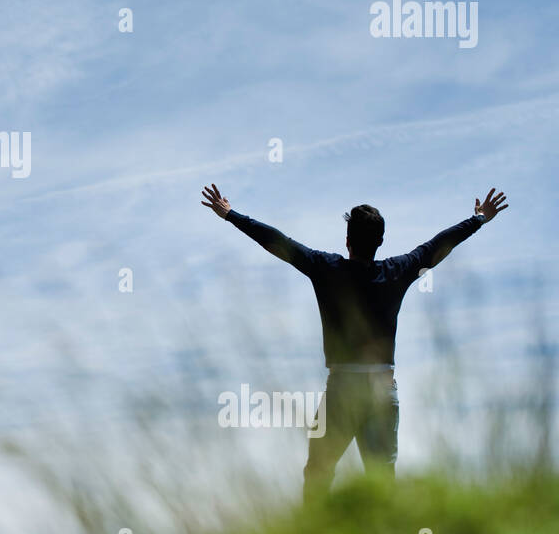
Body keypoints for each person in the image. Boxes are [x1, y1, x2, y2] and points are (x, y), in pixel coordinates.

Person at [199, 184, 509, 502]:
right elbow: (437, 247)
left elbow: (277, 242)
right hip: (381, 388)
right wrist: (478, 219)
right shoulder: (397, 271)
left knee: (318, 472)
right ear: (381, 242)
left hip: (342, 389)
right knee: (381, 480)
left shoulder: (326, 268)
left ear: (347, 241)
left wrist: (230, 215)